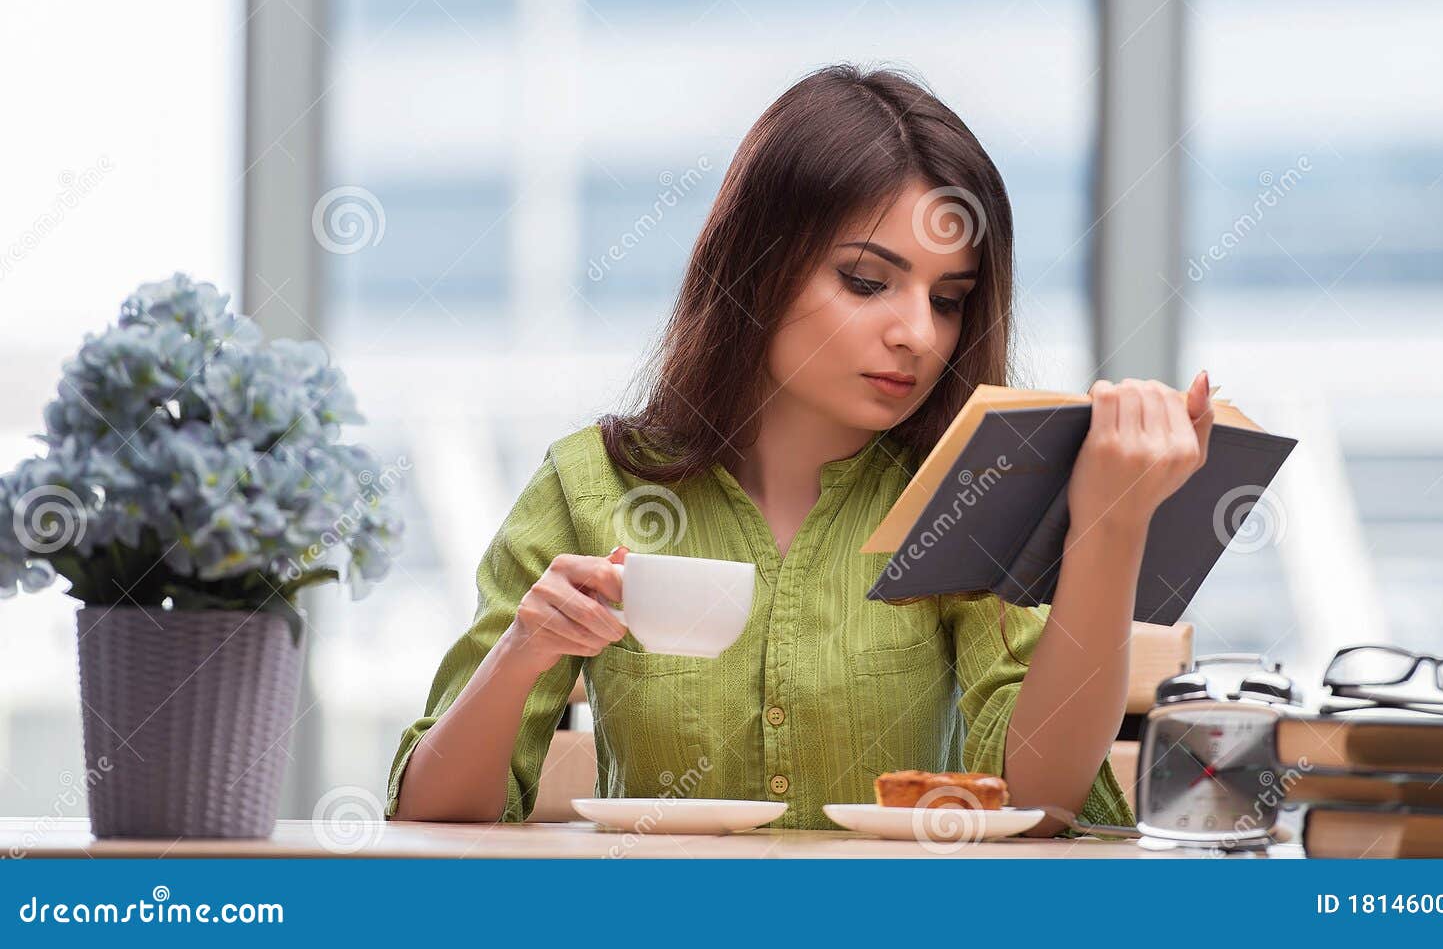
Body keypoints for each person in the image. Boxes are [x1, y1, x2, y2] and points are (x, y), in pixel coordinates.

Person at [386, 64, 1214, 837]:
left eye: (950, 298)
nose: (919, 335)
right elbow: (435, 812)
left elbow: (1042, 795)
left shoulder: (970, 490)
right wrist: (523, 649)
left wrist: (1110, 524)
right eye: (866, 281)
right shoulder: (589, 485)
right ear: (756, 268)